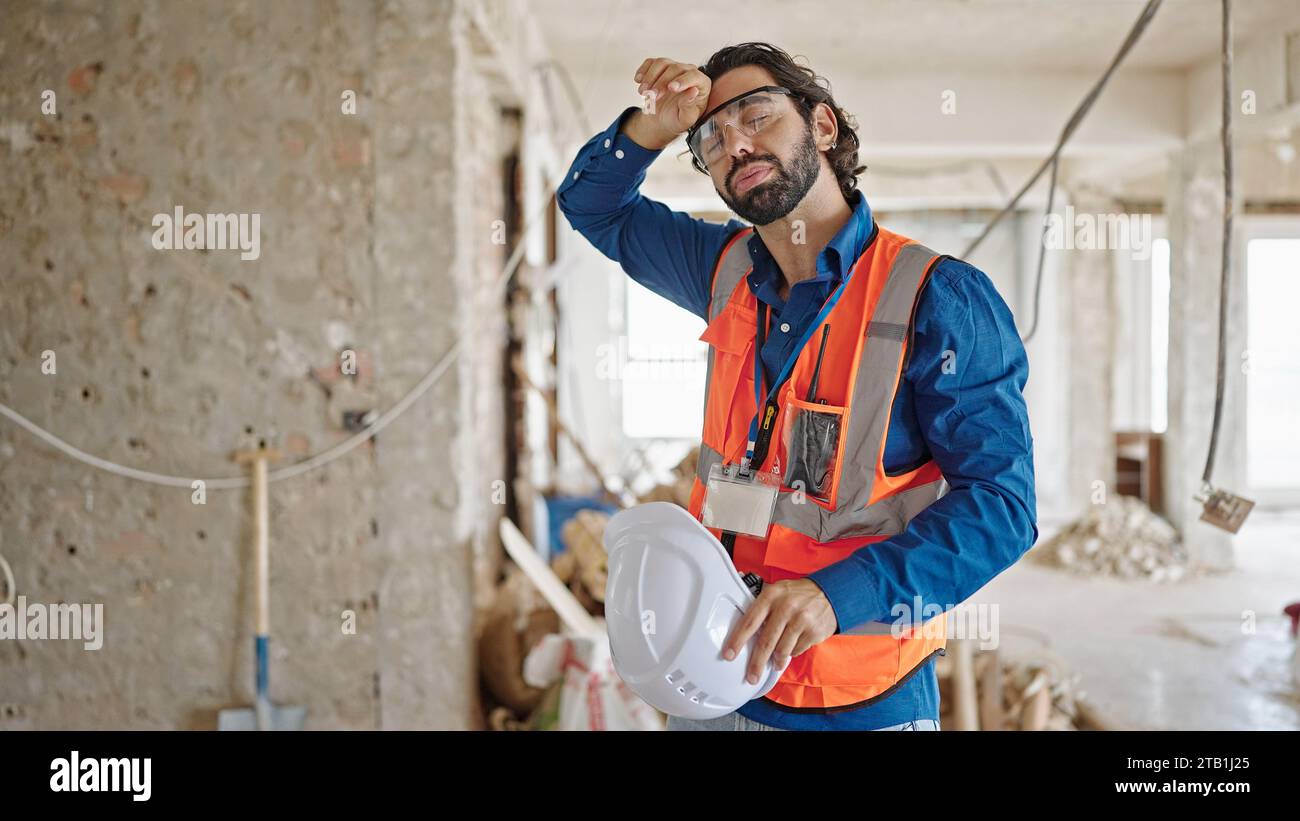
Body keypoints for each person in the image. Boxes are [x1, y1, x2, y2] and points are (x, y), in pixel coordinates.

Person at [558, 43, 1038, 731]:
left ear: (822, 127)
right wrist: (656, 125)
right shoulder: (719, 268)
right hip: (710, 683)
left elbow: (1002, 506)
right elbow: (591, 203)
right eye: (711, 138)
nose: (735, 143)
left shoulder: (938, 298)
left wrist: (839, 593)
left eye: (756, 114)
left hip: (858, 704)